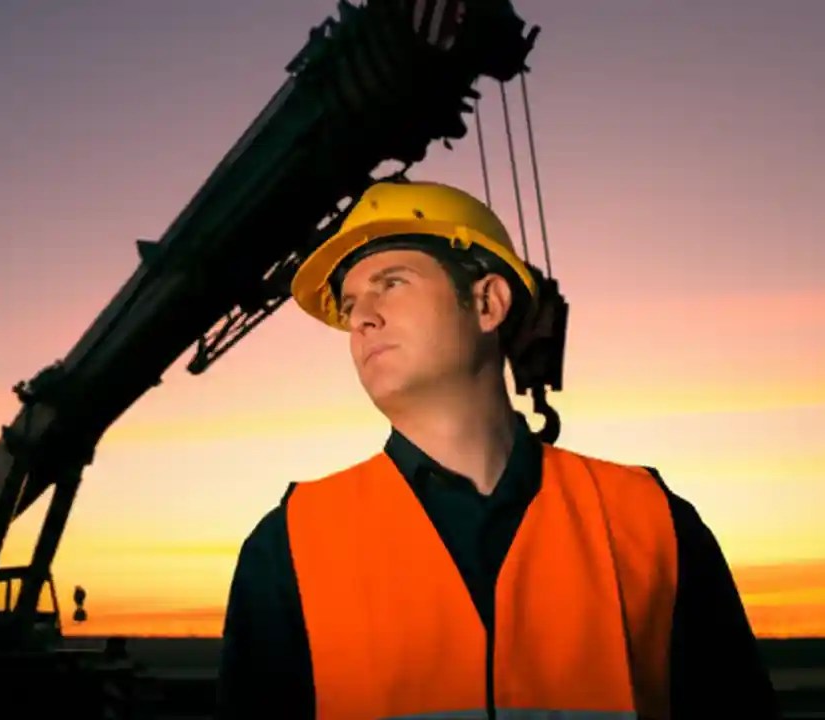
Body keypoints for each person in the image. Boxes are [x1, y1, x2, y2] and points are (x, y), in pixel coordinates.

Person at [215, 180, 779, 720]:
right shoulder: (291, 540)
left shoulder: (649, 519)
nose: (362, 317)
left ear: (488, 302)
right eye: (351, 303)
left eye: (391, 283)